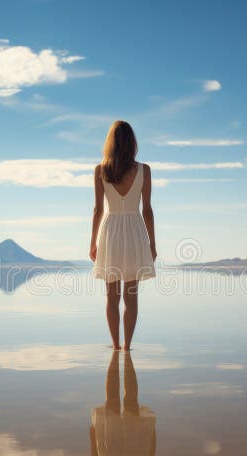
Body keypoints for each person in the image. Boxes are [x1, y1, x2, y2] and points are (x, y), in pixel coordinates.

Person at [90, 120, 157, 351]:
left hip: (110, 232)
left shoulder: (101, 170)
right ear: (132, 143)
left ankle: (115, 346)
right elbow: (147, 210)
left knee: (111, 296)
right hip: (135, 231)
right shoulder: (144, 171)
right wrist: (152, 243)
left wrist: (92, 243)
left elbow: (98, 210)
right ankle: (127, 347)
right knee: (131, 296)